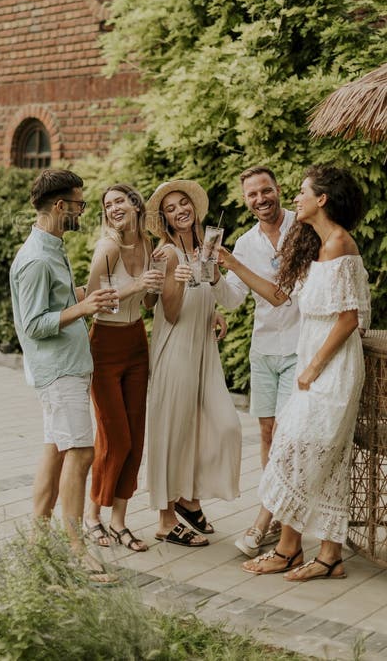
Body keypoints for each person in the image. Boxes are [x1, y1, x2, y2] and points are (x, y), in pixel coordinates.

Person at [219, 165, 371, 581]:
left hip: (331, 367)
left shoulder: (340, 244)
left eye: (303, 192)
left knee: (299, 451)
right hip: (315, 359)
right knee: (317, 456)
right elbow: (278, 295)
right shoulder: (317, 244)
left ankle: (293, 550)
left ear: (322, 199)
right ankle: (326, 556)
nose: (296, 199)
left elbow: (347, 319)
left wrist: (313, 369)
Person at [9, 168, 118, 583]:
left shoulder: (52, 246)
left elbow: (50, 303)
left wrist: (80, 298)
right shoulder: (36, 259)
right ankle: (76, 551)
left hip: (68, 366)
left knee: (56, 449)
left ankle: (37, 540)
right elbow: (34, 323)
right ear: (60, 206)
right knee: (82, 453)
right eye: (78, 204)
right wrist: (83, 310)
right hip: (58, 372)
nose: (81, 211)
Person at [210, 166, 300, 557]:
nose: (261, 199)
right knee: (266, 432)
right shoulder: (245, 243)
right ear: (245, 200)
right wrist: (214, 274)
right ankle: (275, 510)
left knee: (287, 433)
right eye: (252, 195)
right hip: (264, 348)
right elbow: (233, 298)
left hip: (300, 346)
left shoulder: (304, 229)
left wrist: (233, 264)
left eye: (266, 190)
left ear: (278, 190)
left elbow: (285, 293)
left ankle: (267, 518)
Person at [145, 179, 241, 546]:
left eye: (183, 203)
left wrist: (213, 311)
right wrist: (179, 283)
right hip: (176, 349)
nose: (179, 210)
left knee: (224, 425)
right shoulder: (167, 254)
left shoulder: (206, 247)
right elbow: (168, 313)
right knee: (174, 428)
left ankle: (189, 499)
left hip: (204, 347)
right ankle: (166, 520)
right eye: (170, 209)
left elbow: (213, 291)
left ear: (194, 207)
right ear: (165, 220)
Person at [83, 184, 162, 553]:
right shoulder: (108, 248)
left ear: (135, 204)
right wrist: (136, 286)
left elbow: (146, 303)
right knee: (114, 439)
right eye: (107, 204)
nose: (114, 207)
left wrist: (156, 287)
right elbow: (93, 300)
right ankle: (91, 517)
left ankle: (119, 522)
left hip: (136, 342)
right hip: (105, 345)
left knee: (135, 438)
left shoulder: (148, 246)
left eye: (120, 201)